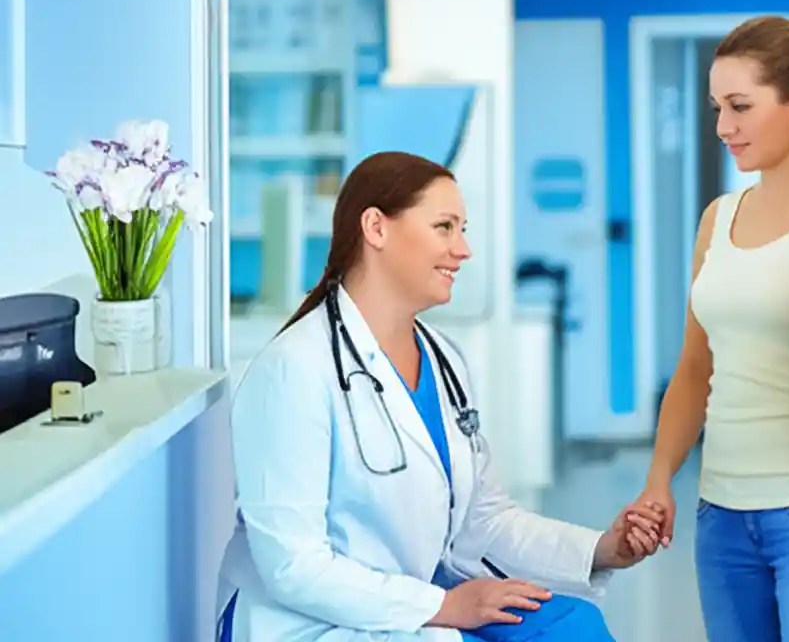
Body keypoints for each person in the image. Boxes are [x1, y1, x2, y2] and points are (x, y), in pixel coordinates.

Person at [215, 151, 666, 642]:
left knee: (571, 625)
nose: (463, 249)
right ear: (376, 228)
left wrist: (602, 548)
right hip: (307, 622)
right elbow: (292, 566)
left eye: (463, 229)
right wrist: (444, 605)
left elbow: (483, 521)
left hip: (407, 601)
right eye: (445, 227)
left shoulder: (444, 360)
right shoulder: (294, 368)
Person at [631, 16, 789, 642]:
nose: (722, 127)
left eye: (740, 106)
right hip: (723, 514)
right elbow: (694, 367)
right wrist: (659, 481)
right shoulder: (719, 217)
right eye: (717, 108)